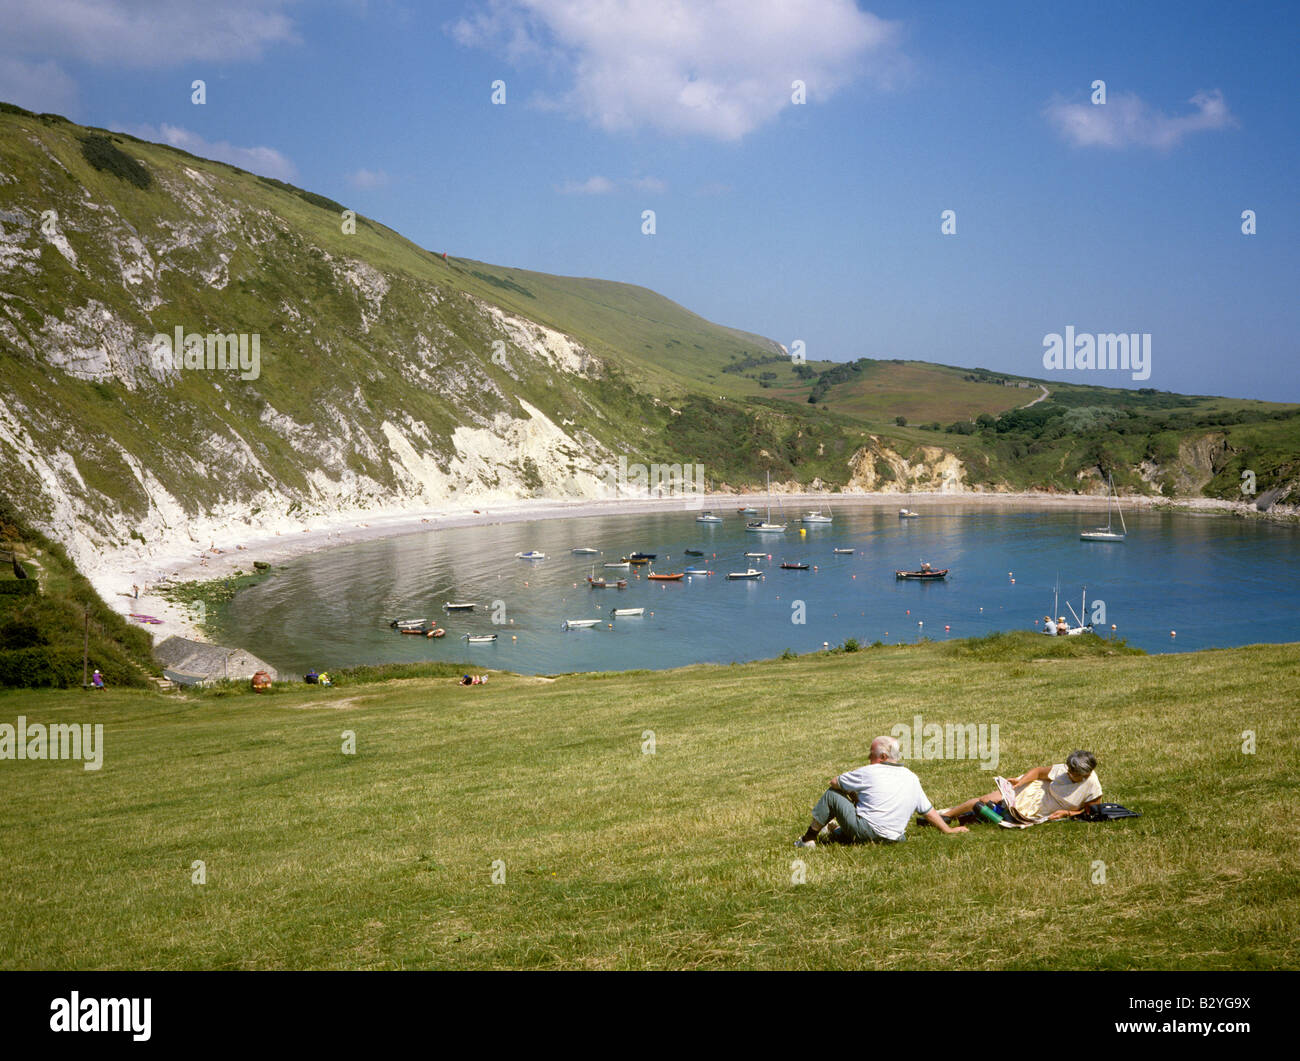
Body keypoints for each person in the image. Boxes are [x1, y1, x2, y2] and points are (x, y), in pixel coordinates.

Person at [794, 735, 967, 847]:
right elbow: (928, 811)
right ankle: (835, 831)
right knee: (854, 823)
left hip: (867, 831)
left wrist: (852, 793)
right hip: (895, 838)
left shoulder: (870, 771)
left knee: (832, 795)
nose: (869, 758)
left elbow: (834, 782)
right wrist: (948, 830)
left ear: (883, 757)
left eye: (872, 754)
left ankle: (808, 839)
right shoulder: (911, 777)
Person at [939, 750, 1102, 825]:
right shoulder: (1064, 770)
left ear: (1086, 773)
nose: (1069, 773)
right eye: (1069, 770)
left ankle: (963, 816)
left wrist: (1067, 813)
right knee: (985, 800)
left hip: (1044, 809)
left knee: (996, 813)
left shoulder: (1092, 786)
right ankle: (945, 817)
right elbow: (1038, 772)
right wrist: (1020, 782)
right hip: (1035, 791)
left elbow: (1091, 812)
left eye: (1073, 773)